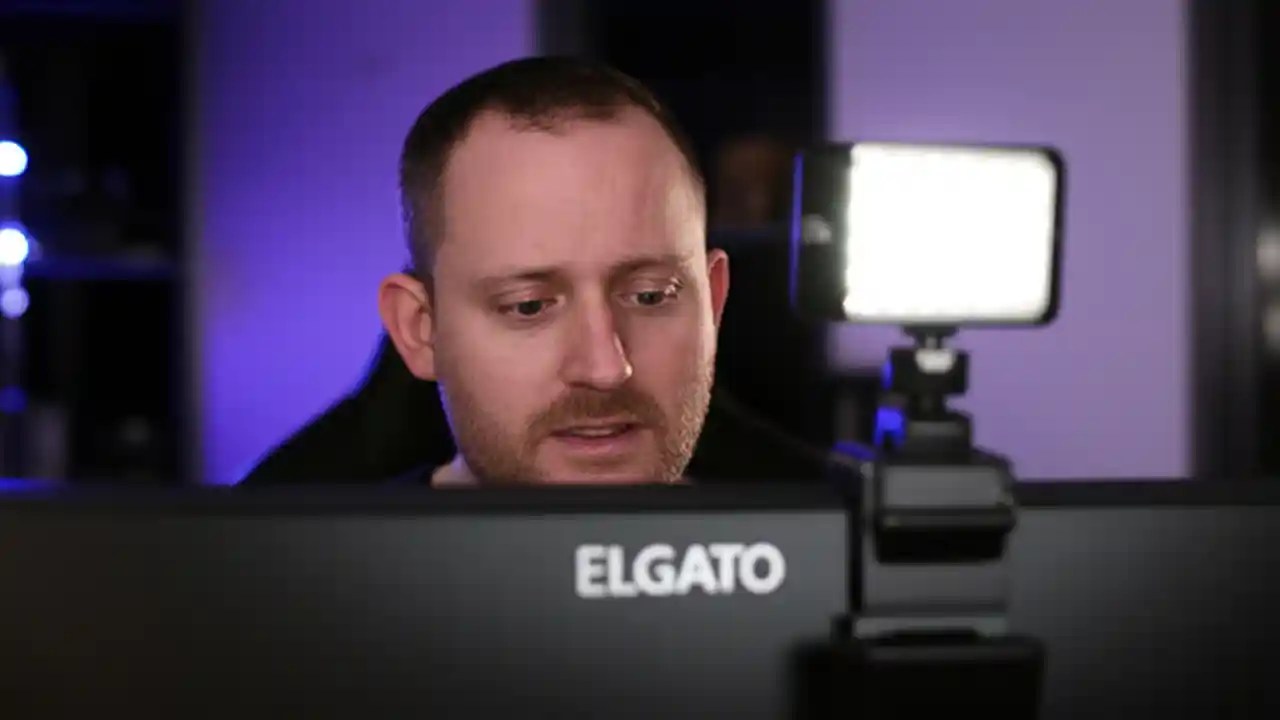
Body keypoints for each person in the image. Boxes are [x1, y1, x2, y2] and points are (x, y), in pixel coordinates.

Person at [377, 56, 729, 487]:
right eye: (528, 306)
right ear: (419, 329)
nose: (605, 369)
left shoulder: (825, 543)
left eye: (650, 296)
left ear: (713, 302)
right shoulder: (317, 554)